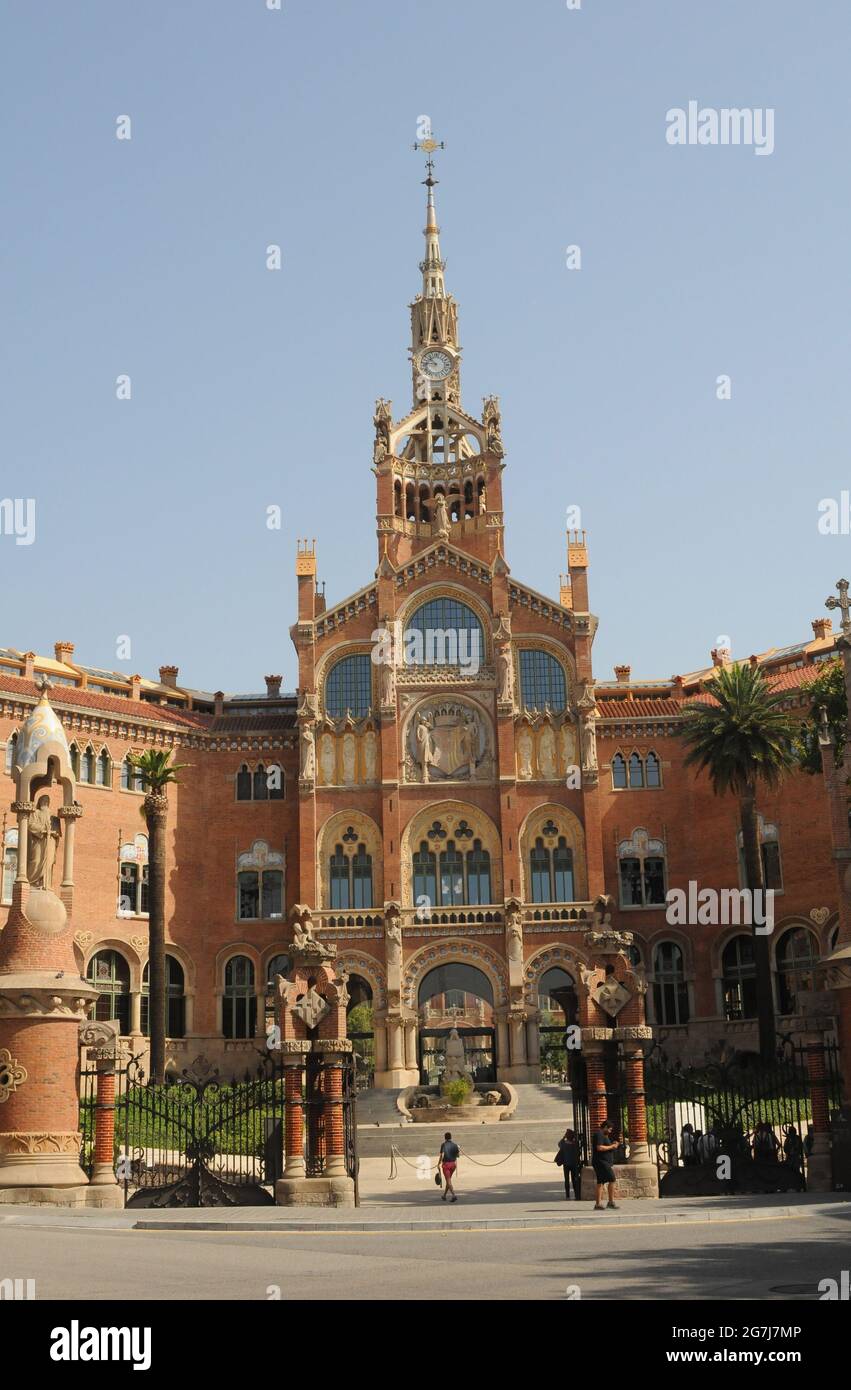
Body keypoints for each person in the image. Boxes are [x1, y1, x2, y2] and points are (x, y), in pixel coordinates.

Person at [591, 1120, 619, 1210]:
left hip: (602, 1162)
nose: (610, 1131)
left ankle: (598, 1204)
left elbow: (605, 1146)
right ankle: (610, 1202)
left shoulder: (604, 1135)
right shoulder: (599, 1134)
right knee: (612, 1179)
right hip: (601, 1162)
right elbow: (599, 1147)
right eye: (610, 1129)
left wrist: (613, 1145)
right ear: (606, 1127)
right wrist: (612, 1146)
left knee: (600, 1182)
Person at [555, 1128, 582, 1200]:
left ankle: (567, 1195)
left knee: (566, 1179)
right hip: (574, 1164)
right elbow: (579, 1152)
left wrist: (564, 1137)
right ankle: (576, 1194)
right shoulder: (575, 1144)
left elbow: (559, 1143)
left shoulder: (563, 1144)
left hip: (566, 1164)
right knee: (574, 1179)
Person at [437, 1132, 460, 1202]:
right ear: (451, 1137)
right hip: (453, 1165)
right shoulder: (455, 1145)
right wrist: (458, 1149)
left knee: (448, 1181)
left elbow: (441, 1155)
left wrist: (438, 1163)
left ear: (445, 1137)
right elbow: (458, 1156)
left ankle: (454, 1195)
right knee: (448, 1180)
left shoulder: (443, 1145)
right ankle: (444, 1195)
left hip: (446, 1165)